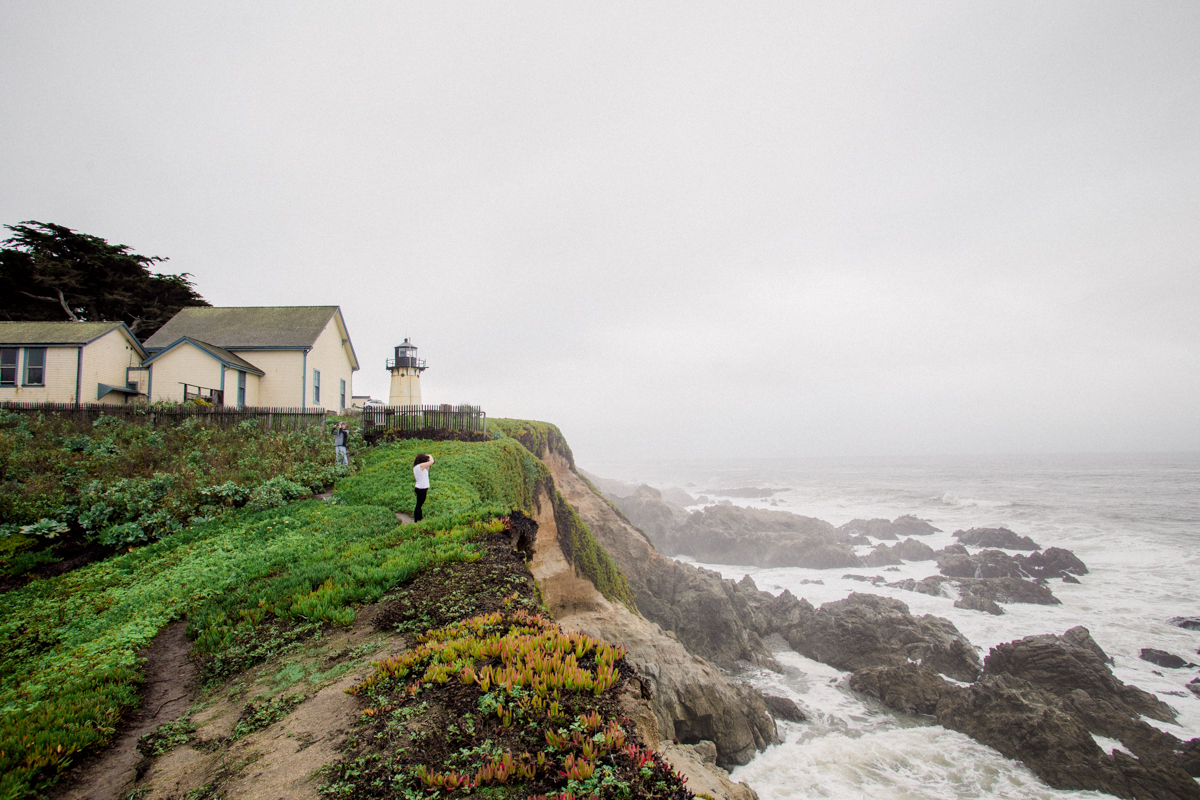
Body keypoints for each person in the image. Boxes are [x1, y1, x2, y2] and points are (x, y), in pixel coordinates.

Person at [413, 452, 434, 521]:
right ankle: (417, 521)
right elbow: (432, 461)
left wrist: (427, 461)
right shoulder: (420, 466)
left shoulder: (417, 467)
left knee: (419, 505)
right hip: (421, 488)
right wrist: (429, 456)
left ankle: (419, 519)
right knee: (418, 506)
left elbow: (427, 469)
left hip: (420, 488)